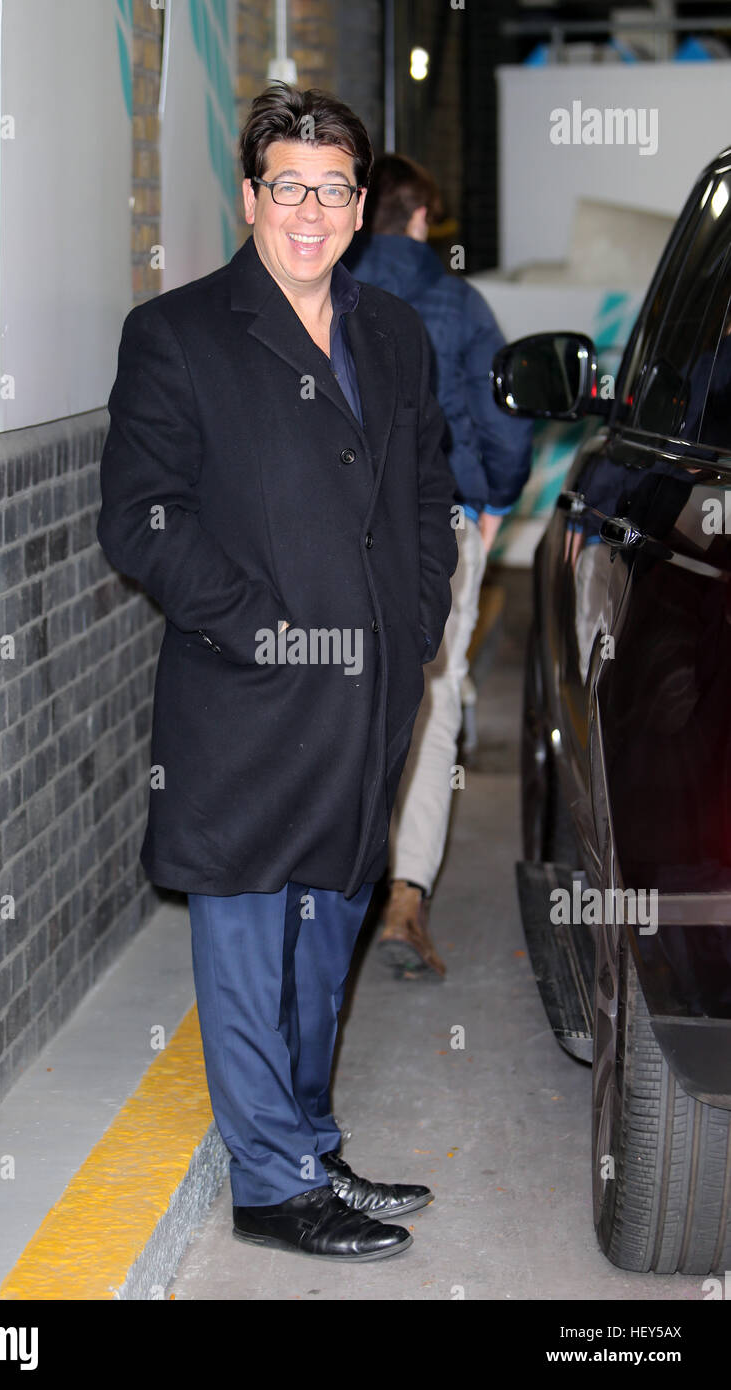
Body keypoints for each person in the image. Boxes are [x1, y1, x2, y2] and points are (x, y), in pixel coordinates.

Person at [96, 85, 458, 1262]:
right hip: (248, 695)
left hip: (367, 699)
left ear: (360, 207)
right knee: (252, 933)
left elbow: (421, 499)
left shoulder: (393, 335)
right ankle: (268, 1181)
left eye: (333, 188)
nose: (310, 209)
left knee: (329, 924)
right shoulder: (179, 333)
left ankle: (308, 1144)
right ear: (250, 198)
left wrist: (410, 627)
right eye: (287, 185)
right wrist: (264, 630)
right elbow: (143, 519)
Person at [346, 154, 534, 979]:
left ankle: (335, 889)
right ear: (421, 216)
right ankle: (406, 898)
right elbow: (506, 425)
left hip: (337, 531)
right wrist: (493, 507)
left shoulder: (321, 294)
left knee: (340, 693)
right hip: (439, 522)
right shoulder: (458, 301)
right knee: (432, 693)